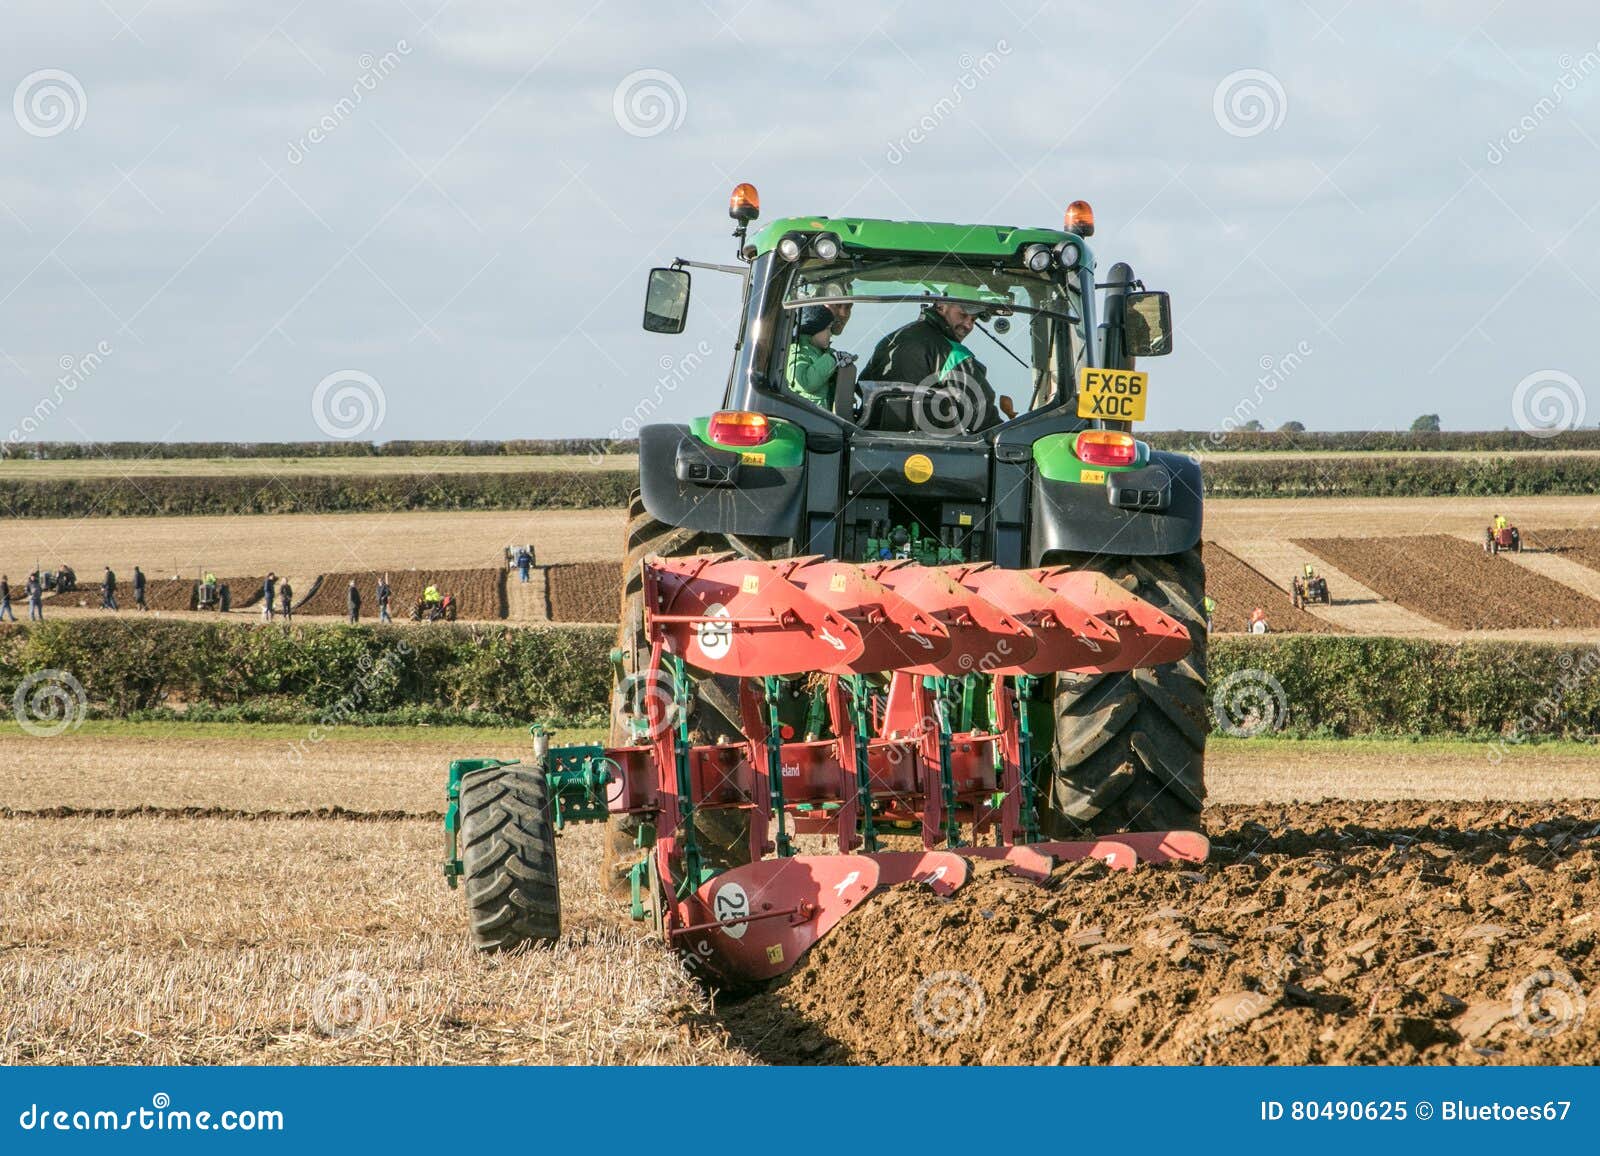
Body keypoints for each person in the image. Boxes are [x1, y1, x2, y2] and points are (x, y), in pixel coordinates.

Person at [859, 296, 1013, 431]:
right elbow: (983, 416)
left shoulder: (891, 340)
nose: (969, 325)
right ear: (940, 305)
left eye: (973, 320)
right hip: (933, 452)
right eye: (963, 315)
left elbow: (863, 387)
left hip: (870, 441)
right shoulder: (952, 353)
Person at [785, 304, 854, 408]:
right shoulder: (797, 351)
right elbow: (805, 382)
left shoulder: (823, 353)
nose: (831, 334)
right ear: (815, 329)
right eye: (828, 328)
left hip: (824, 416)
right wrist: (832, 359)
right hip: (806, 415)